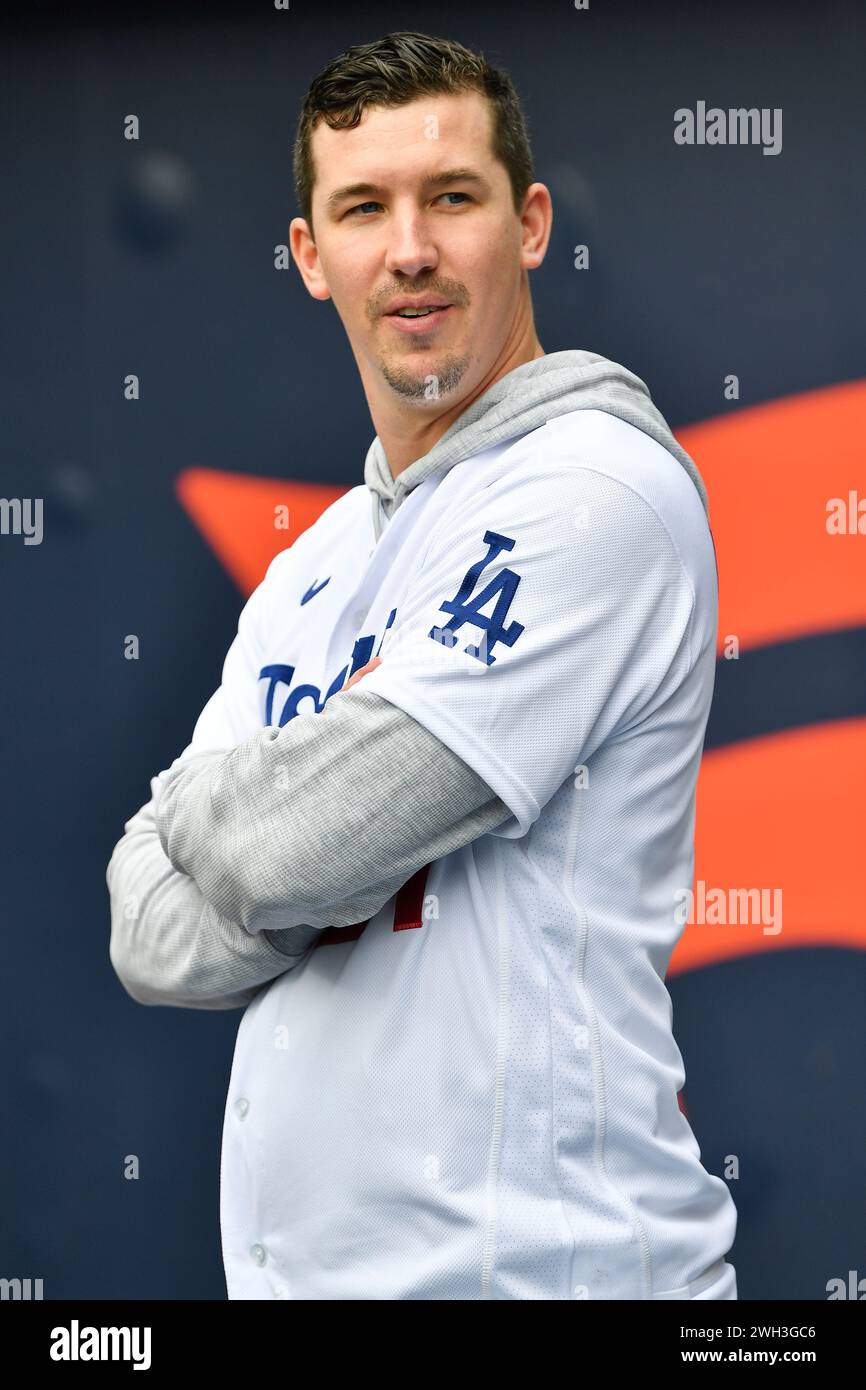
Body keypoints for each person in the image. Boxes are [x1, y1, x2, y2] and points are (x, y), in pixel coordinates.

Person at [107, 29, 738, 1301]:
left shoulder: (595, 487)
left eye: (451, 196)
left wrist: (211, 808)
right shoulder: (315, 563)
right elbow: (145, 928)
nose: (409, 249)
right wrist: (275, 836)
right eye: (362, 208)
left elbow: (292, 851)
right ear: (308, 257)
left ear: (529, 222)